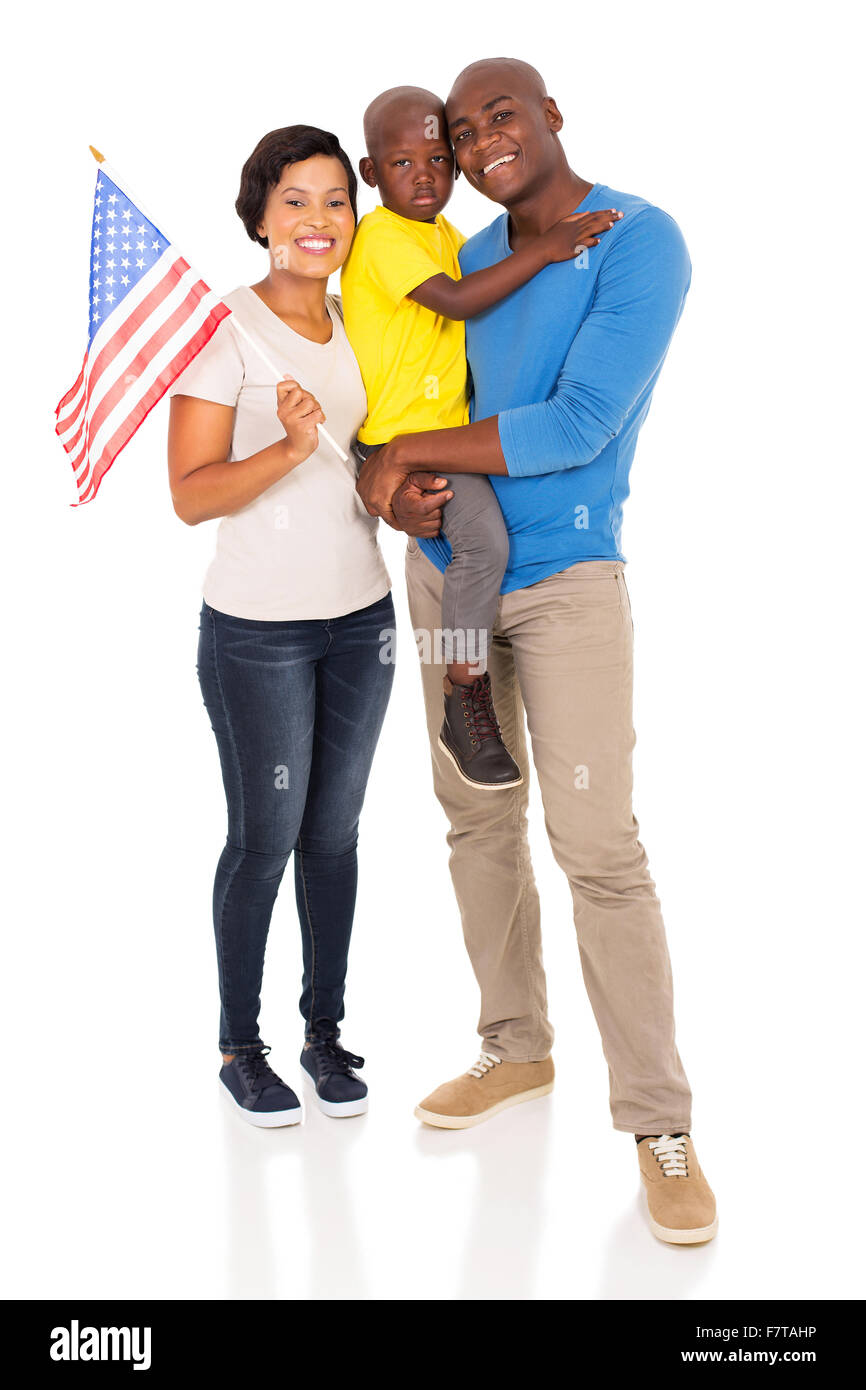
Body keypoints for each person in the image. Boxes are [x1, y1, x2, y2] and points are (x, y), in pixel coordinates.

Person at [356, 59, 718, 1244]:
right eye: (458, 133)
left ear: (552, 114)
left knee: (595, 844)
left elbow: (575, 426)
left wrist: (407, 451)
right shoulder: (454, 262)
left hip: (562, 583)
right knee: (471, 815)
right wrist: (396, 481)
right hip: (446, 577)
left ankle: (659, 1121)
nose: (477, 143)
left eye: (498, 115)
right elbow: (412, 385)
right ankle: (513, 1047)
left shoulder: (634, 240)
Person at [167, 125, 394, 1127]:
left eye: (335, 200)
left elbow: (371, 464)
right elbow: (189, 494)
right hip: (259, 632)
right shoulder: (221, 328)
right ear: (260, 216)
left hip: (362, 623)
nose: (318, 220)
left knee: (333, 836)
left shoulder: (360, 320)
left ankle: (322, 1032)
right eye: (295, 201)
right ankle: (239, 1045)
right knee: (264, 839)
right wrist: (291, 443)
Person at [341, 85, 621, 790]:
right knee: (484, 546)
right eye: (404, 164)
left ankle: (462, 685)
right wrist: (552, 248)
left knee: (478, 546)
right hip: (410, 439)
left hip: (433, 437)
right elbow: (463, 301)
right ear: (372, 175)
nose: (428, 175)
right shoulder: (383, 236)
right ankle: (463, 690)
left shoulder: (441, 236)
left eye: (439, 158)